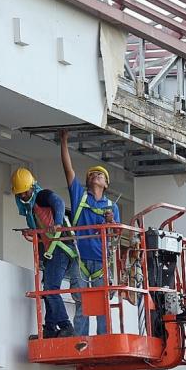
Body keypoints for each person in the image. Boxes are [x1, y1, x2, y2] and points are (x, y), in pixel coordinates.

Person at [59, 130, 121, 336]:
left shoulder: (112, 206)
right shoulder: (80, 197)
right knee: (82, 304)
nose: (96, 175)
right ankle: (81, 341)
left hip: (102, 261)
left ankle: (103, 339)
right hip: (82, 259)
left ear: (106, 184)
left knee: (102, 304)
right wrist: (64, 141)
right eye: (92, 174)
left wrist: (111, 222)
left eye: (100, 175)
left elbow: (115, 237)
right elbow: (68, 171)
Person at [11, 167, 75, 338]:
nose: (23, 196)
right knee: (48, 290)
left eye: (25, 192)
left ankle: (66, 326)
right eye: (21, 194)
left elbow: (59, 203)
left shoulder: (41, 196)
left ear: (32, 187)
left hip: (61, 248)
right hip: (53, 251)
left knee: (50, 289)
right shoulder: (31, 208)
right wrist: (31, 232)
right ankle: (50, 328)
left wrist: (59, 222)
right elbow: (42, 229)